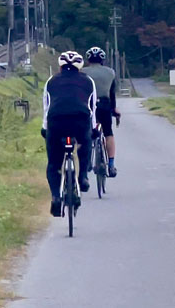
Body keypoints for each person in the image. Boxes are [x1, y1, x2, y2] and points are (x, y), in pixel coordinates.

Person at [41, 51, 96, 217]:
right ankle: (83, 176)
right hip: (80, 121)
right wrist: (92, 129)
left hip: (56, 122)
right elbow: (92, 106)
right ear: (80, 67)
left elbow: (46, 105)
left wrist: (45, 128)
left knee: (53, 163)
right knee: (85, 144)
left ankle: (56, 197)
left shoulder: (51, 81)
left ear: (60, 66)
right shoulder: (88, 81)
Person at [83, 46, 120, 177]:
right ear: (102, 60)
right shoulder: (110, 72)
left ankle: (86, 162)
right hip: (104, 105)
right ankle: (111, 164)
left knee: (85, 134)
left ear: (88, 60)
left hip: (87, 106)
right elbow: (112, 93)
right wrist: (114, 109)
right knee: (108, 133)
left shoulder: (82, 72)